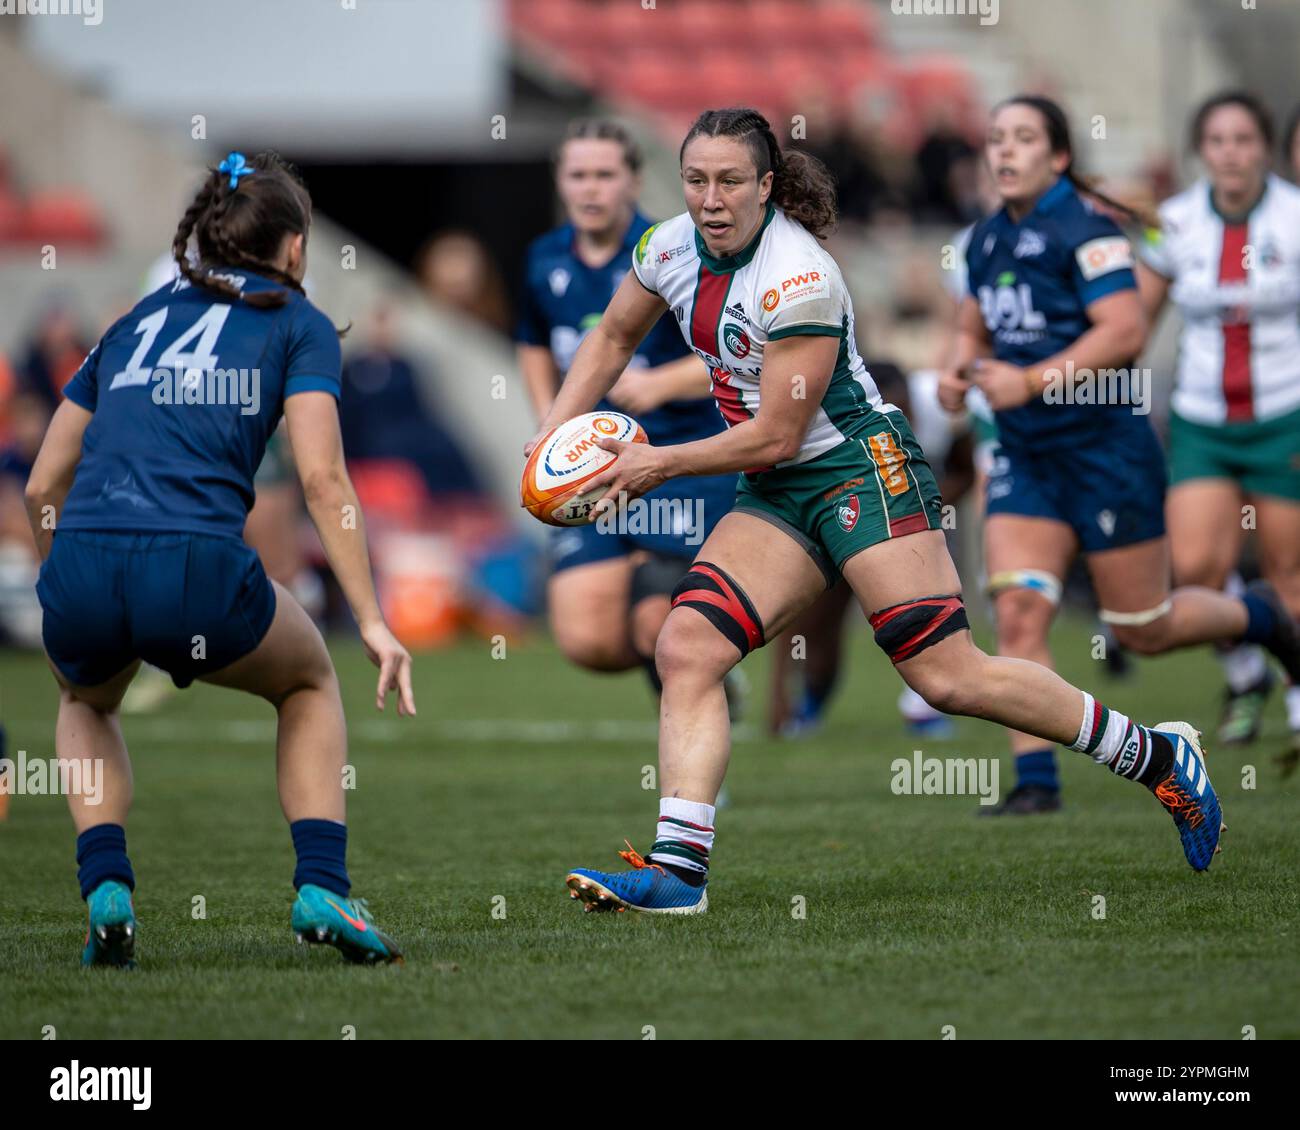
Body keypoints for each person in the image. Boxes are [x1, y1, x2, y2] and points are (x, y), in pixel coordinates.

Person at [526, 108, 1235, 915]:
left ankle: (1157, 755)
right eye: (695, 180)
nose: (711, 198)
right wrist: (552, 432)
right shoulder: (664, 248)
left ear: (766, 186)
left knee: (948, 677)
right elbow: (615, 336)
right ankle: (678, 871)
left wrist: (659, 462)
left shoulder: (799, 276)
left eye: (730, 181)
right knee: (686, 647)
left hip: (861, 469)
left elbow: (779, 431)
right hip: (780, 486)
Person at [24, 151, 414, 966]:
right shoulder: (298, 322)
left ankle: (107, 887)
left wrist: (65, 579)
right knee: (308, 682)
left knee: (85, 701)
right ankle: (323, 888)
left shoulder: (134, 319)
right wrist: (374, 621)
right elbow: (321, 476)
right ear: (296, 247)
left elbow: (41, 482)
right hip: (196, 564)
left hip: (84, 555)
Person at [936, 94, 1300, 815]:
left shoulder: (1088, 229)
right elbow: (971, 327)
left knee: (1145, 626)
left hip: (1104, 453)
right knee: (1017, 614)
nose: (1004, 152)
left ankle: (1260, 616)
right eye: (996, 139)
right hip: (1027, 456)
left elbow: (1125, 329)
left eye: (1024, 139)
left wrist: (1029, 379)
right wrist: (955, 368)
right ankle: (1036, 782)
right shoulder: (984, 240)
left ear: (1060, 157)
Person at [516, 118, 738, 704]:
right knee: (586, 638)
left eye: (605, 175)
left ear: (634, 181)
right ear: (560, 181)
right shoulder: (542, 259)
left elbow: (738, 352)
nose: (591, 189)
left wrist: (661, 383)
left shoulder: (673, 250)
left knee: (655, 623)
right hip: (590, 462)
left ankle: (695, 684)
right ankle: (681, 660)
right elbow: (533, 342)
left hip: (673, 456)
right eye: (578, 175)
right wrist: (550, 424)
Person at [1137, 91, 1300, 759]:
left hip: (1285, 417)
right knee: (1198, 566)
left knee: (1288, 568)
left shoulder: (1295, 217)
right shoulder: (1169, 224)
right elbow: (1132, 324)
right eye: (1218, 140)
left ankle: (1297, 699)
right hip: (1203, 420)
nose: (1232, 153)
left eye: (1244, 139)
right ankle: (1244, 675)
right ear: (1200, 151)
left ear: (1265, 147)